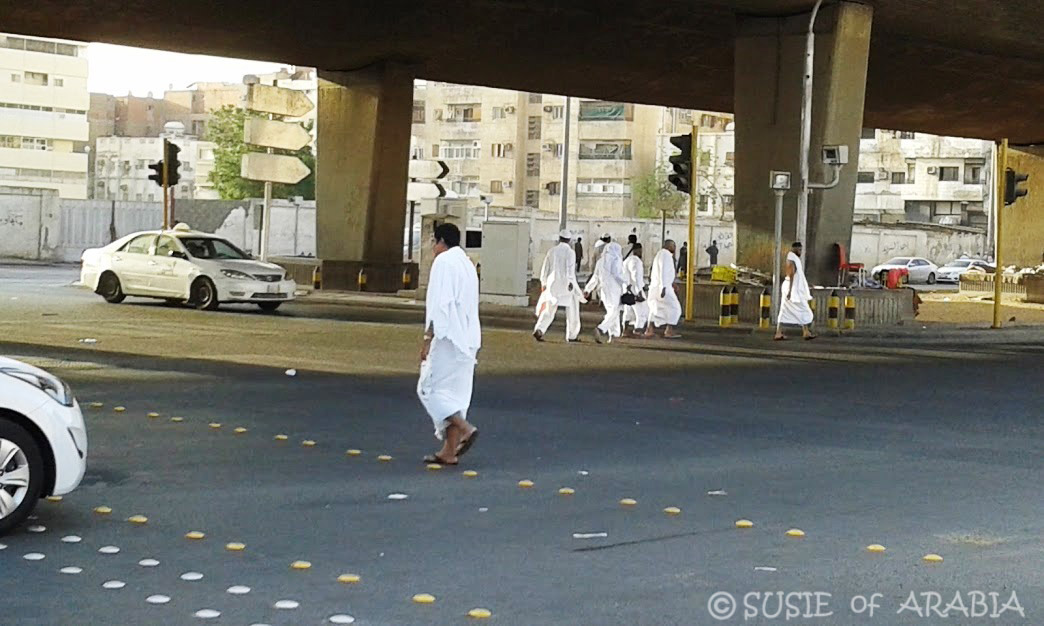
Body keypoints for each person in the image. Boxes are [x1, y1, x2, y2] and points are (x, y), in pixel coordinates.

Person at [418, 223, 481, 465]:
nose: (433, 247)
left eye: (434, 241)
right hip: (469, 339)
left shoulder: (443, 263)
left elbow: (439, 306)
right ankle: (449, 451)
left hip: (448, 337)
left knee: (428, 388)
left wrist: (427, 338)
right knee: (455, 396)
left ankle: (465, 428)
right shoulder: (466, 262)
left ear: (441, 241)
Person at [534, 230, 585, 343]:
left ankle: (539, 329)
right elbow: (570, 273)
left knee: (549, 310)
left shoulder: (551, 251)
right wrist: (577, 290)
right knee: (573, 312)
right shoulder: (570, 253)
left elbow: (545, 269)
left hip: (552, 284)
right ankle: (572, 335)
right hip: (567, 286)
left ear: (559, 239)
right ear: (569, 240)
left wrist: (543, 283)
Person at [584, 241, 627, 343]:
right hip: (614, 289)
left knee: (612, 312)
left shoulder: (600, 261)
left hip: (603, 290)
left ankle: (614, 335)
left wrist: (588, 289)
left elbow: (595, 277)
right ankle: (601, 328)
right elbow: (617, 275)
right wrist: (626, 283)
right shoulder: (616, 259)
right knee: (614, 311)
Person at [774, 241, 816, 341]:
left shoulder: (794, 258)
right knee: (803, 309)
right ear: (794, 249)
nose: (800, 251)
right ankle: (804, 331)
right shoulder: (791, 258)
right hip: (791, 288)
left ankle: (804, 332)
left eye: (801, 249)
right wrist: (790, 291)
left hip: (794, 288)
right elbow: (791, 275)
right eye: (799, 249)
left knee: (787, 310)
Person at [646, 240, 682, 339]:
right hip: (663, 287)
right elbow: (663, 272)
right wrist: (664, 287)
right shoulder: (666, 255)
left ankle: (649, 329)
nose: (675, 248)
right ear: (669, 246)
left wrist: (672, 283)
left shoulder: (659, 254)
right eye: (674, 246)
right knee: (675, 308)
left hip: (657, 286)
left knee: (655, 308)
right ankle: (669, 330)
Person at [622, 243, 649, 336]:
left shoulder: (626, 261)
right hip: (634, 289)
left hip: (626, 290)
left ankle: (624, 330)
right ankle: (638, 330)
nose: (641, 252)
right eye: (640, 250)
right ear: (637, 250)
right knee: (643, 311)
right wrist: (639, 292)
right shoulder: (636, 261)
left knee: (628, 311)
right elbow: (636, 277)